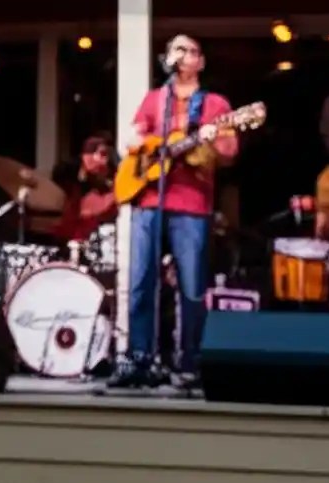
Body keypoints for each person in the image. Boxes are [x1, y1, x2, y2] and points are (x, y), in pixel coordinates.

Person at [109, 34, 239, 389]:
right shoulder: (155, 99)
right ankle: (139, 359)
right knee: (139, 284)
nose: (184, 55)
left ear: (201, 61)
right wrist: (148, 145)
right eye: (177, 49)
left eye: (192, 50)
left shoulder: (214, 104)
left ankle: (190, 362)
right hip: (149, 201)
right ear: (167, 58)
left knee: (192, 288)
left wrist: (211, 137)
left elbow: (229, 151)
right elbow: (132, 140)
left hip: (192, 205)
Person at [51, 133, 118, 244]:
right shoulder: (71, 169)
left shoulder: (109, 171)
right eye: (102, 154)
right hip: (76, 217)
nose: (104, 160)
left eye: (106, 155)